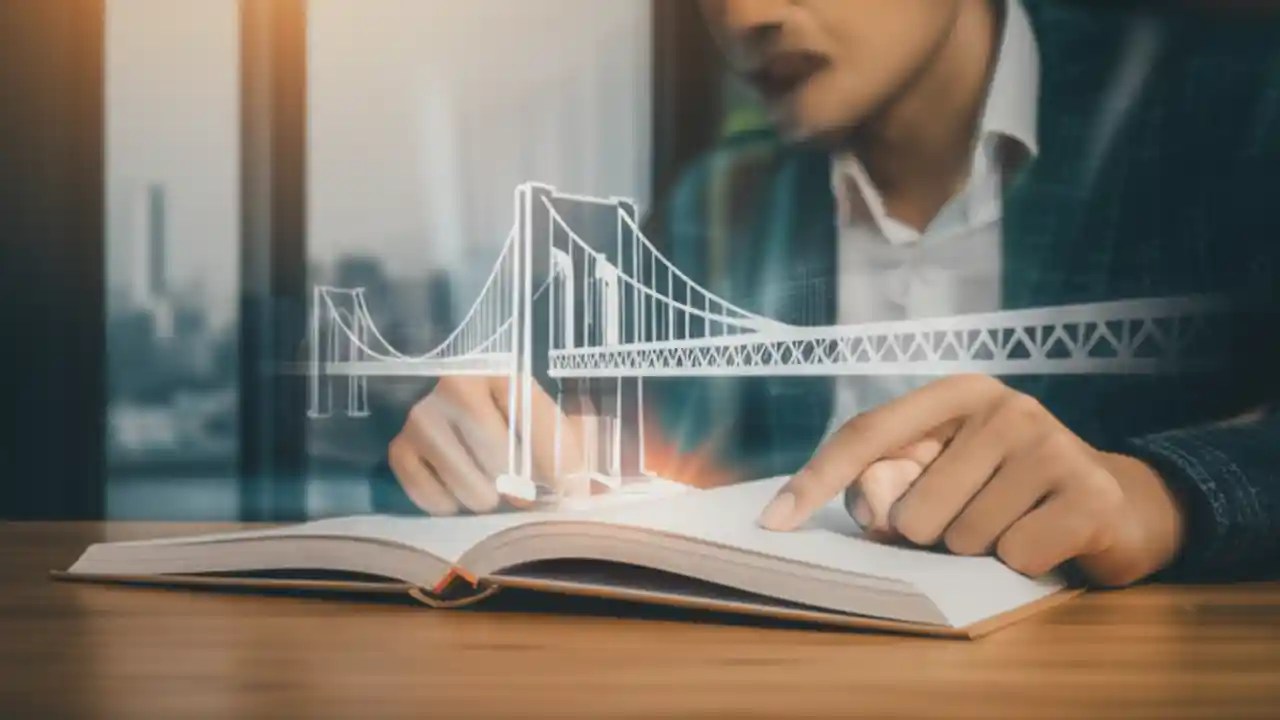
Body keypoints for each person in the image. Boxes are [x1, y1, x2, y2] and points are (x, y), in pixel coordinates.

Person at [382, 0, 1280, 585]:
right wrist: (482, 439)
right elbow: (551, 439)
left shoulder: (1238, 105)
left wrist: (1162, 494)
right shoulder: (717, 209)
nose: (746, 16)